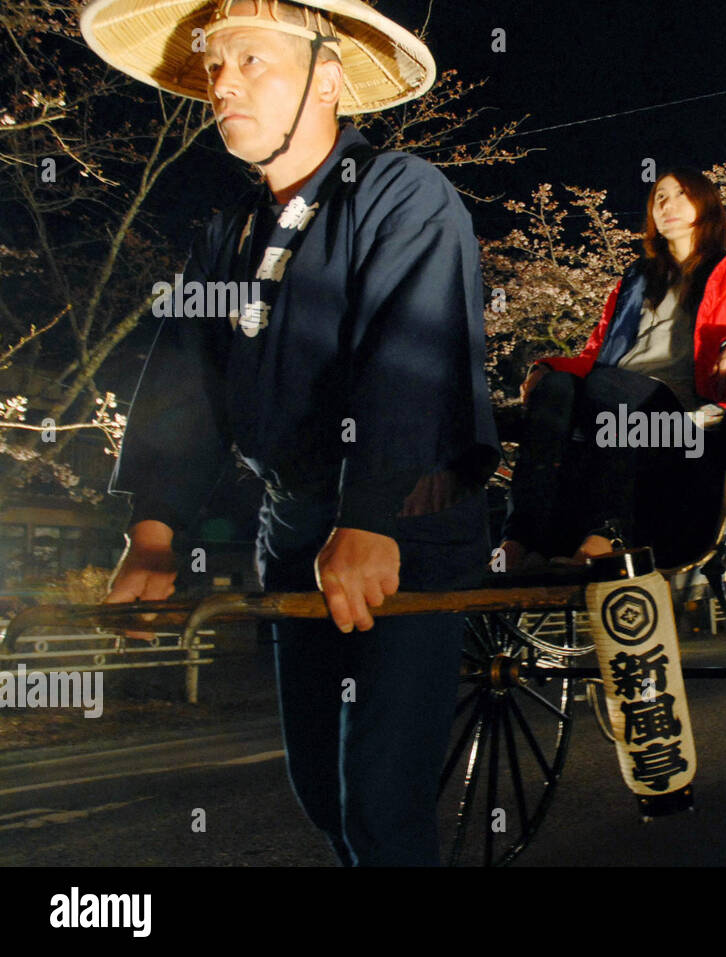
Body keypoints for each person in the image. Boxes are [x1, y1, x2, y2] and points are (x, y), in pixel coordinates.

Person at [88, 0, 498, 865]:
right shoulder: (225, 235)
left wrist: (373, 514)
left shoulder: (403, 193)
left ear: (329, 77)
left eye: (251, 60)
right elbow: (185, 388)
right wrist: (154, 530)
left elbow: (411, 357)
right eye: (214, 66)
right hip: (294, 528)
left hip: (408, 523)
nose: (222, 83)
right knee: (323, 793)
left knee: (383, 803)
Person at [499, 167, 726, 567]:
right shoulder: (634, 280)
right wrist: (546, 366)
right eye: (659, 198)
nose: (666, 204)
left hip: (680, 411)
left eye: (680, 194)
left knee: (606, 388)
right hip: (612, 391)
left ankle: (608, 533)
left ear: (704, 205)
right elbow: (595, 353)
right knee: (556, 390)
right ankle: (520, 538)